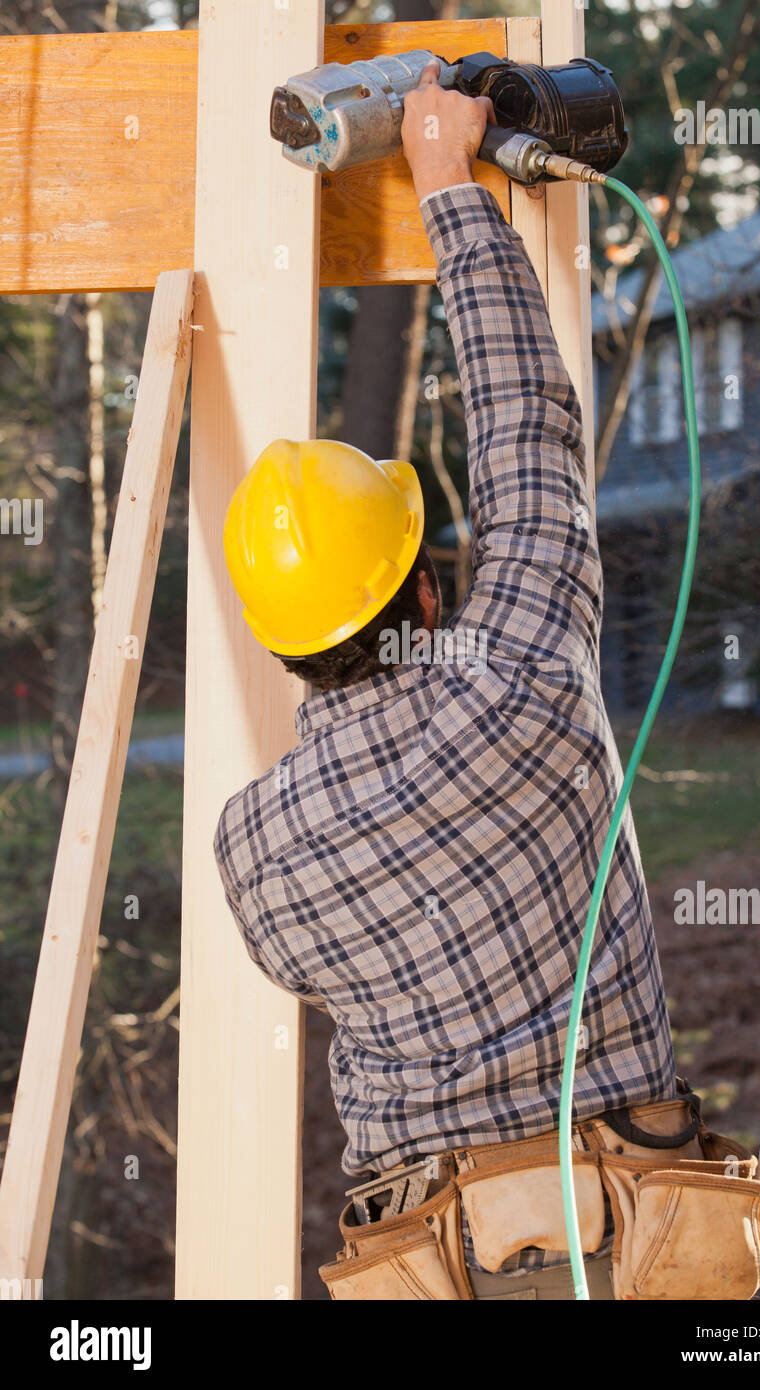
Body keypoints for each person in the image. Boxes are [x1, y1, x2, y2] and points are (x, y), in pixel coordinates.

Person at [215, 59, 685, 1301]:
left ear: (278, 643)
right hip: (631, 1236)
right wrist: (445, 181)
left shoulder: (252, 852)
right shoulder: (523, 669)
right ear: (426, 587)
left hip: (436, 1268)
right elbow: (527, 428)